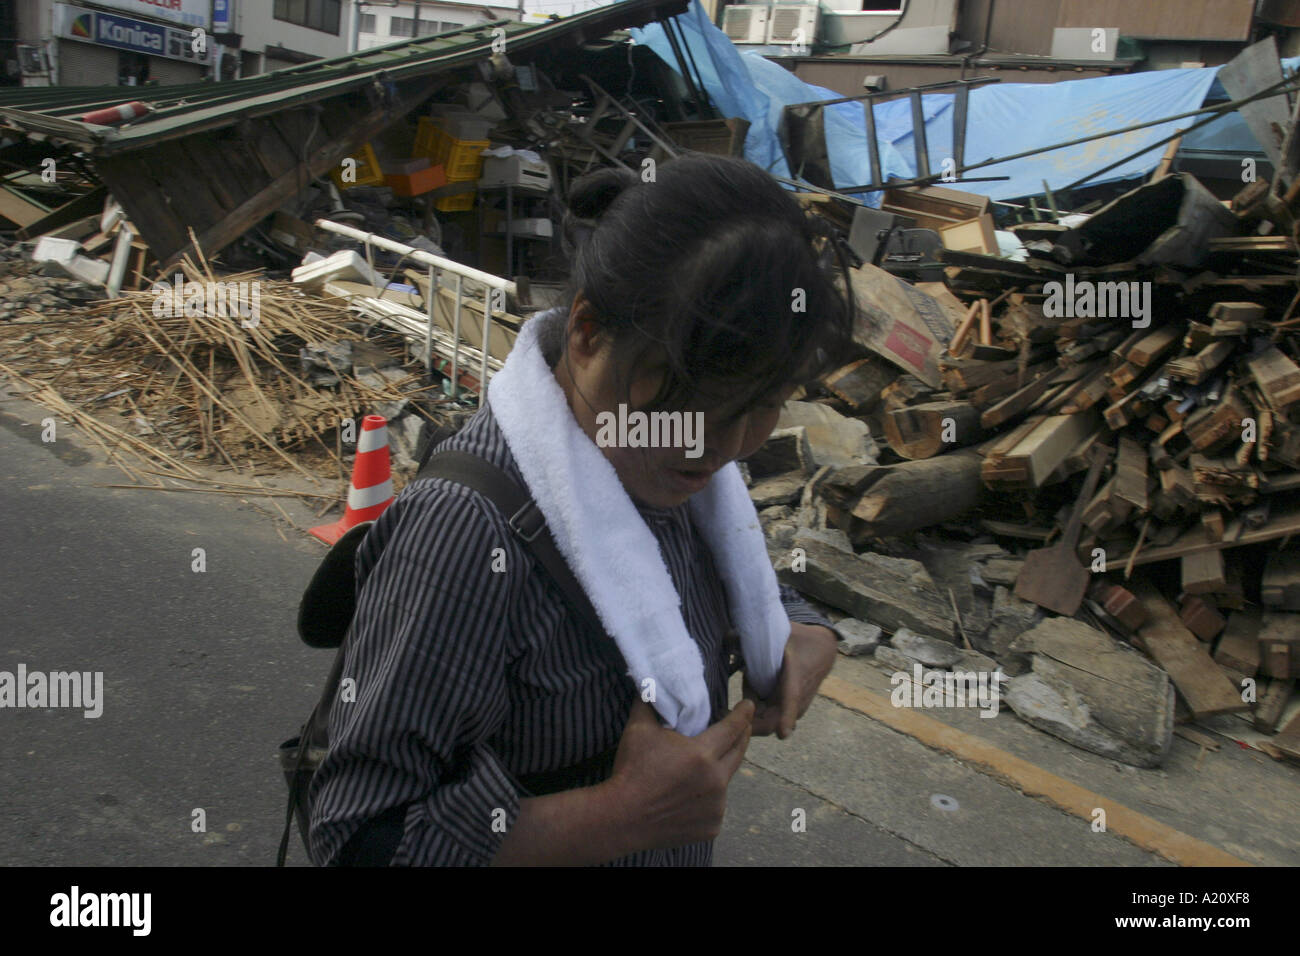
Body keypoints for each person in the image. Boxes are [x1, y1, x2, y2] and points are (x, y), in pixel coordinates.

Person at [309, 152, 859, 866]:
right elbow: (357, 842)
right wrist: (617, 816)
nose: (719, 447)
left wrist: (805, 632)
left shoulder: (672, 473)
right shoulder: (465, 534)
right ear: (587, 333)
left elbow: (729, 575)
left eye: (759, 408)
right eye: (683, 401)